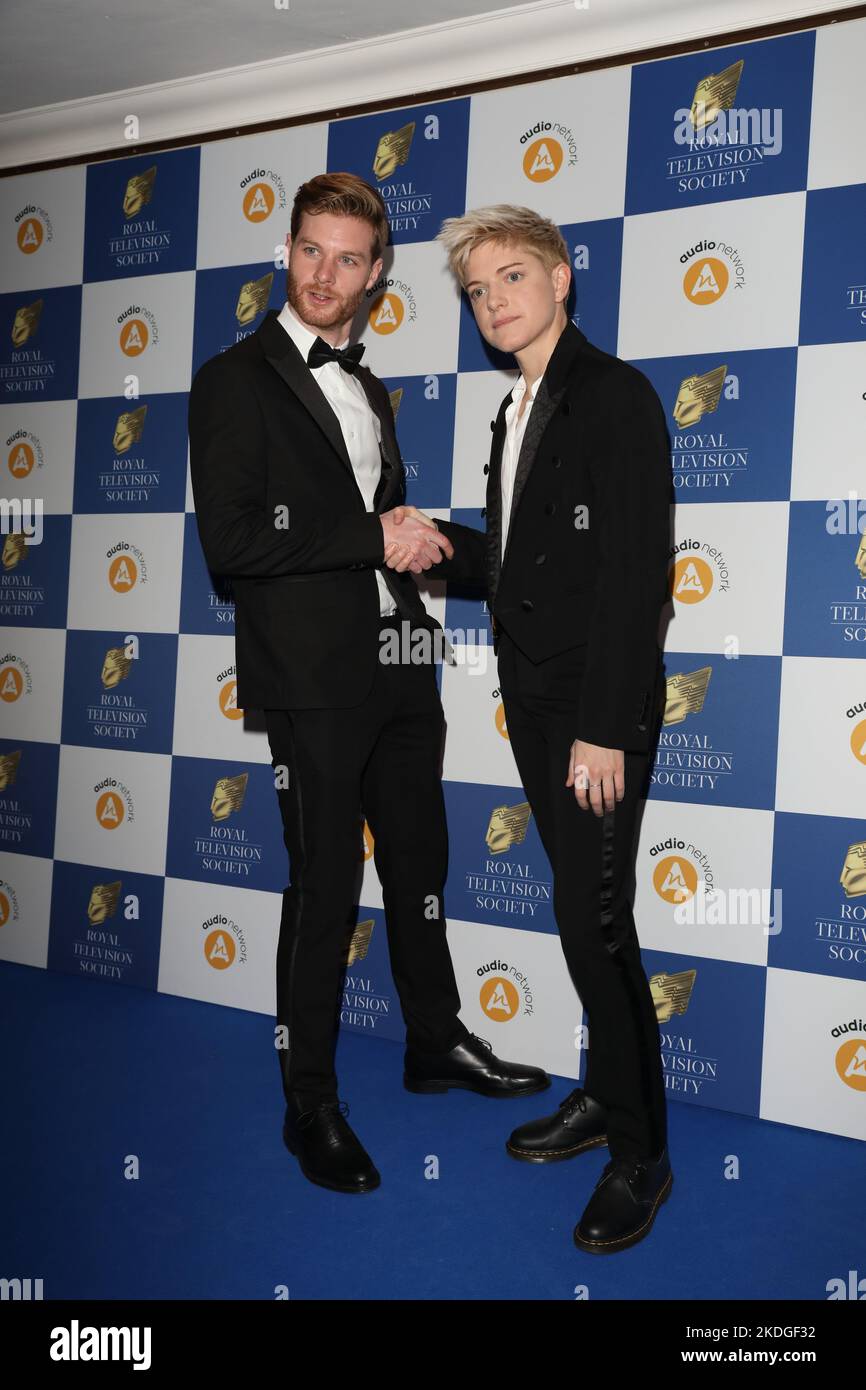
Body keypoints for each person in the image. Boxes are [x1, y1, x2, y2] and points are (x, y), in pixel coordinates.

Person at [187, 174, 549, 1198]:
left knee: (420, 863)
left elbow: (387, 537)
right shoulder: (233, 380)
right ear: (286, 249)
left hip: (397, 664)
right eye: (311, 250)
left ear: (375, 273)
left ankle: (431, 1041)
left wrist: (473, 556)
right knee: (321, 890)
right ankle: (309, 1102)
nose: (325, 274)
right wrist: (372, 532)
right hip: (309, 680)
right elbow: (235, 539)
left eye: (349, 258)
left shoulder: (371, 387)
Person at [392, 203, 673, 1252]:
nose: (494, 300)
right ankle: (604, 1092)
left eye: (512, 276)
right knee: (580, 918)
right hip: (537, 706)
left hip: (591, 716)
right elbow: (525, 571)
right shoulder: (516, 409)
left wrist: (600, 729)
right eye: (476, 289)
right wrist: (442, 550)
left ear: (561, 278)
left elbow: (633, 572)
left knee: (593, 925)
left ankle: (641, 1156)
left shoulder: (613, 395)